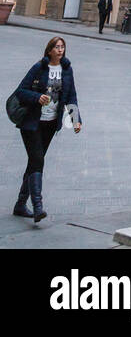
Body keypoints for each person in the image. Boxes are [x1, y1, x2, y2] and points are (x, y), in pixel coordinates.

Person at [11, 35, 82, 223]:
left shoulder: (67, 70)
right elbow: (21, 91)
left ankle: (20, 205)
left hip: (50, 124)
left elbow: (72, 96)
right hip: (32, 122)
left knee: (34, 163)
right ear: (49, 50)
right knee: (37, 160)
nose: (60, 50)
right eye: (57, 47)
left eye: (62, 47)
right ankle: (37, 206)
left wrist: (76, 120)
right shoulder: (39, 67)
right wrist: (37, 97)